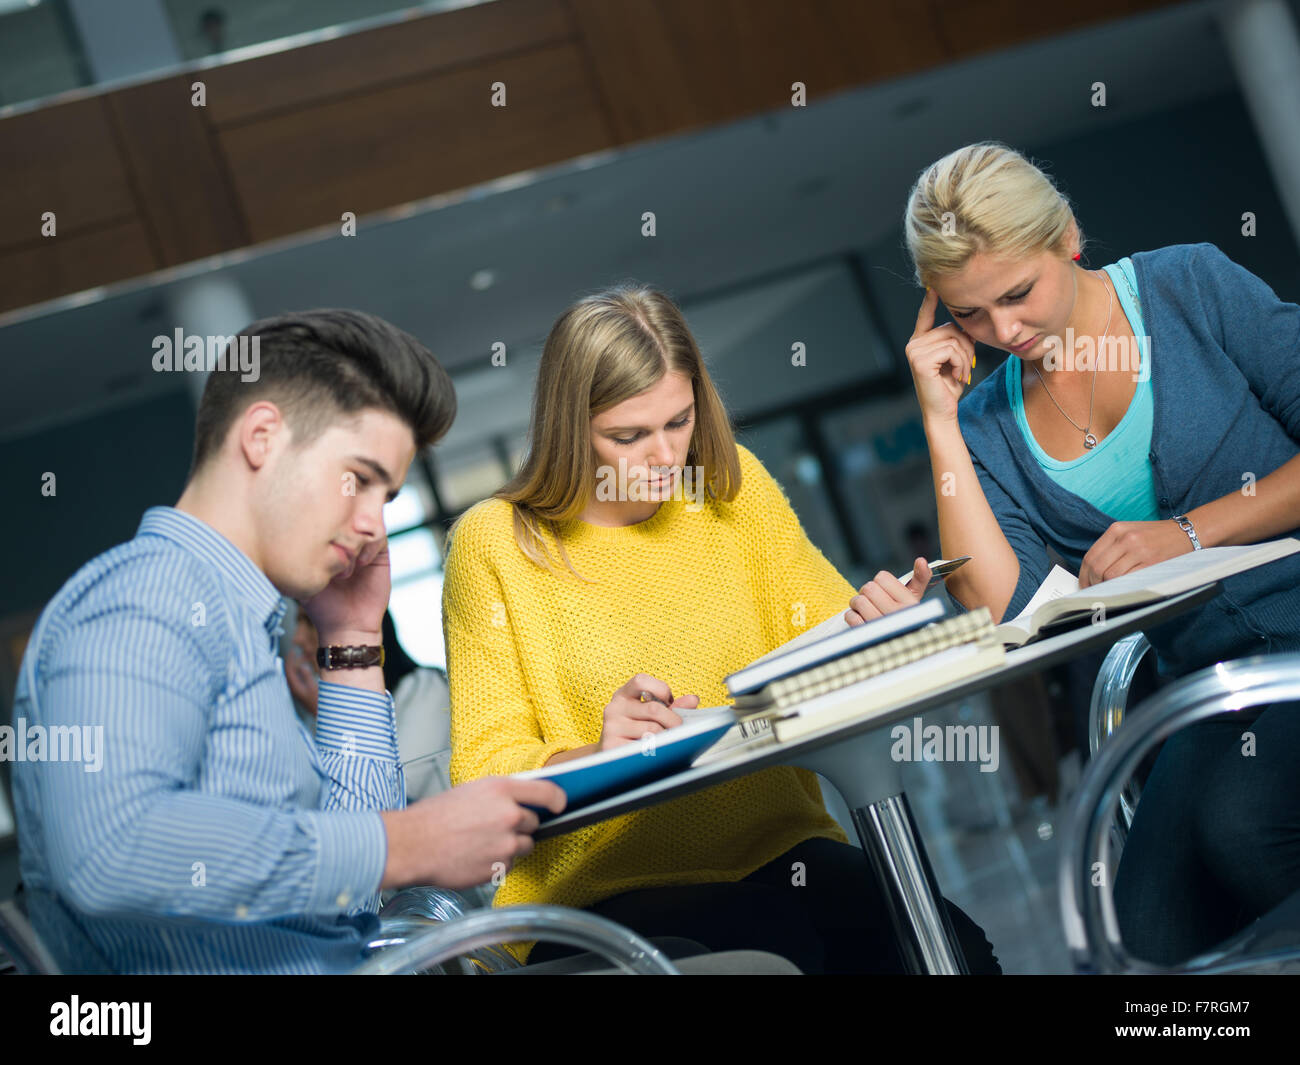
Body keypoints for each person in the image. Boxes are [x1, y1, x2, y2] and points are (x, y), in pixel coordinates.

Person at [442, 284, 1001, 974]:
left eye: (678, 422)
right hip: (597, 894)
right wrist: (595, 752)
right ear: (569, 425)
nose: (663, 456)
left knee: (950, 949)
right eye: (628, 435)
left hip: (779, 848)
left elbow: (826, 638)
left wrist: (878, 626)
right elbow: (483, 770)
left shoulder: (731, 494)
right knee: (773, 947)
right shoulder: (497, 543)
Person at [10, 309, 565, 974]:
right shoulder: (147, 595)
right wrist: (403, 843)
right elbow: (110, 849)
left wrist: (353, 637)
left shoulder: (235, 621)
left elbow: (359, 887)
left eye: (385, 496)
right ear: (263, 437)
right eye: (358, 478)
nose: (371, 525)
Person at [900, 141, 1300, 964]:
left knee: (1243, 826)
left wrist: (1189, 533)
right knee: (1137, 938)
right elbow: (1003, 610)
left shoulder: (1190, 286)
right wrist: (940, 421)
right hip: (1209, 694)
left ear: (1068, 237)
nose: (1003, 331)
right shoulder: (987, 424)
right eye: (968, 313)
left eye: (1017, 294)